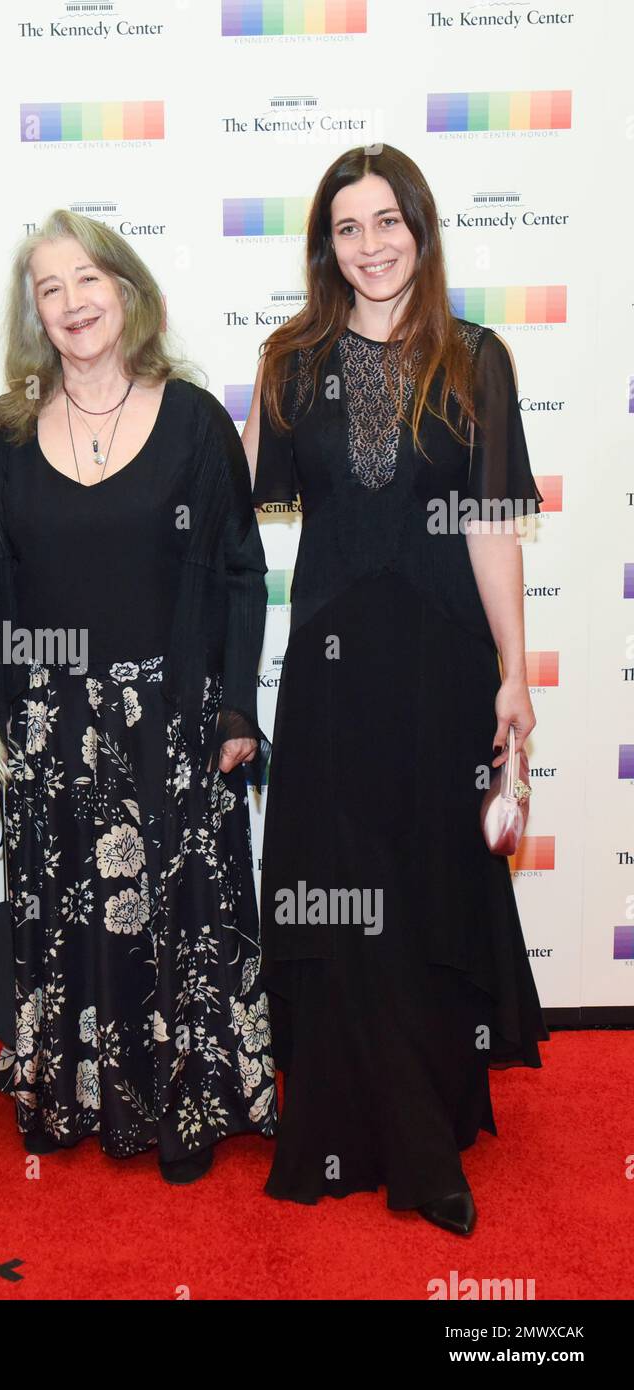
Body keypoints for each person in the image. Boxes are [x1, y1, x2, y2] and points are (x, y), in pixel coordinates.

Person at [243, 144, 548, 1234]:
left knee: (423, 896)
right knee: (340, 897)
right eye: (347, 228)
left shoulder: (476, 359)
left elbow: (491, 528)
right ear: (325, 247)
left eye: (388, 222)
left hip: (443, 669)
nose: (370, 246)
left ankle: (426, 1136)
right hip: (331, 674)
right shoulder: (289, 363)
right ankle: (352, 1132)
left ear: (420, 230)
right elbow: (248, 520)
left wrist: (515, 671)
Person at [0, 210, 277, 1185]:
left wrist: (232, 709)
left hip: (173, 722)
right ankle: (77, 1094)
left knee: (181, 915)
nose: (70, 304)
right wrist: (0, 717)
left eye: (87, 280)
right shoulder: (8, 435)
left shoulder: (191, 421)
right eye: (48, 290)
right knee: (68, 916)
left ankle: (187, 1096)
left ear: (128, 291)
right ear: (34, 314)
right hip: (56, 731)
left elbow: (237, 571)